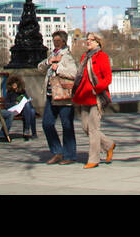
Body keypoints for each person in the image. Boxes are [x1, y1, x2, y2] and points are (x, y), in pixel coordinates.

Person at [73, 32, 116, 168]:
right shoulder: (85, 57)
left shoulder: (102, 56)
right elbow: (80, 76)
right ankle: (109, 145)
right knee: (86, 127)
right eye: (87, 39)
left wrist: (96, 89)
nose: (88, 42)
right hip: (84, 96)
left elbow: (107, 78)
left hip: (96, 96)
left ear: (98, 42)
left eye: (91, 40)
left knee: (93, 128)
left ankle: (93, 159)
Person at [37, 30, 77, 165]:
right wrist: (49, 61)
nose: (55, 43)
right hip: (51, 96)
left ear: (64, 42)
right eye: (54, 41)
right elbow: (40, 68)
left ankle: (69, 155)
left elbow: (74, 73)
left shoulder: (68, 56)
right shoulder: (52, 54)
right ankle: (57, 151)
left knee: (67, 125)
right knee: (47, 123)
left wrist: (58, 68)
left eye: (58, 41)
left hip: (64, 96)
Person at [0, 75, 38, 139]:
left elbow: (28, 102)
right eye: (13, 84)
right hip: (15, 110)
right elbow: (6, 105)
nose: (14, 86)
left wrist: (25, 101)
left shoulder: (22, 92)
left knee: (32, 111)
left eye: (15, 84)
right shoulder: (9, 93)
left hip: (24, 110)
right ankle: (27, 129)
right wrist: (15, 103)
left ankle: (29, 131)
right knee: (31, 111)